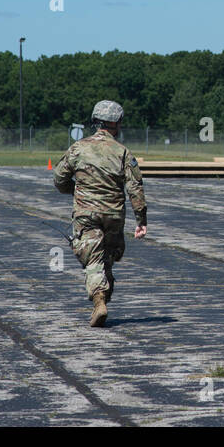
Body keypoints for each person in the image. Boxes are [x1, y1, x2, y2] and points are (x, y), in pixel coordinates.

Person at [52, 100, 147, 327]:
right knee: (107, 257)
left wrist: (76, 190)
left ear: (96, 121)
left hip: (86, 213)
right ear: (116, 124)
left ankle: (99, 298)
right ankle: (103, 294)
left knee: (92, 258)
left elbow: (58, 179)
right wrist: (141, 220)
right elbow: (135, 188)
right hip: (114, 215)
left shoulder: (78, 148)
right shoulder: (123, 152)